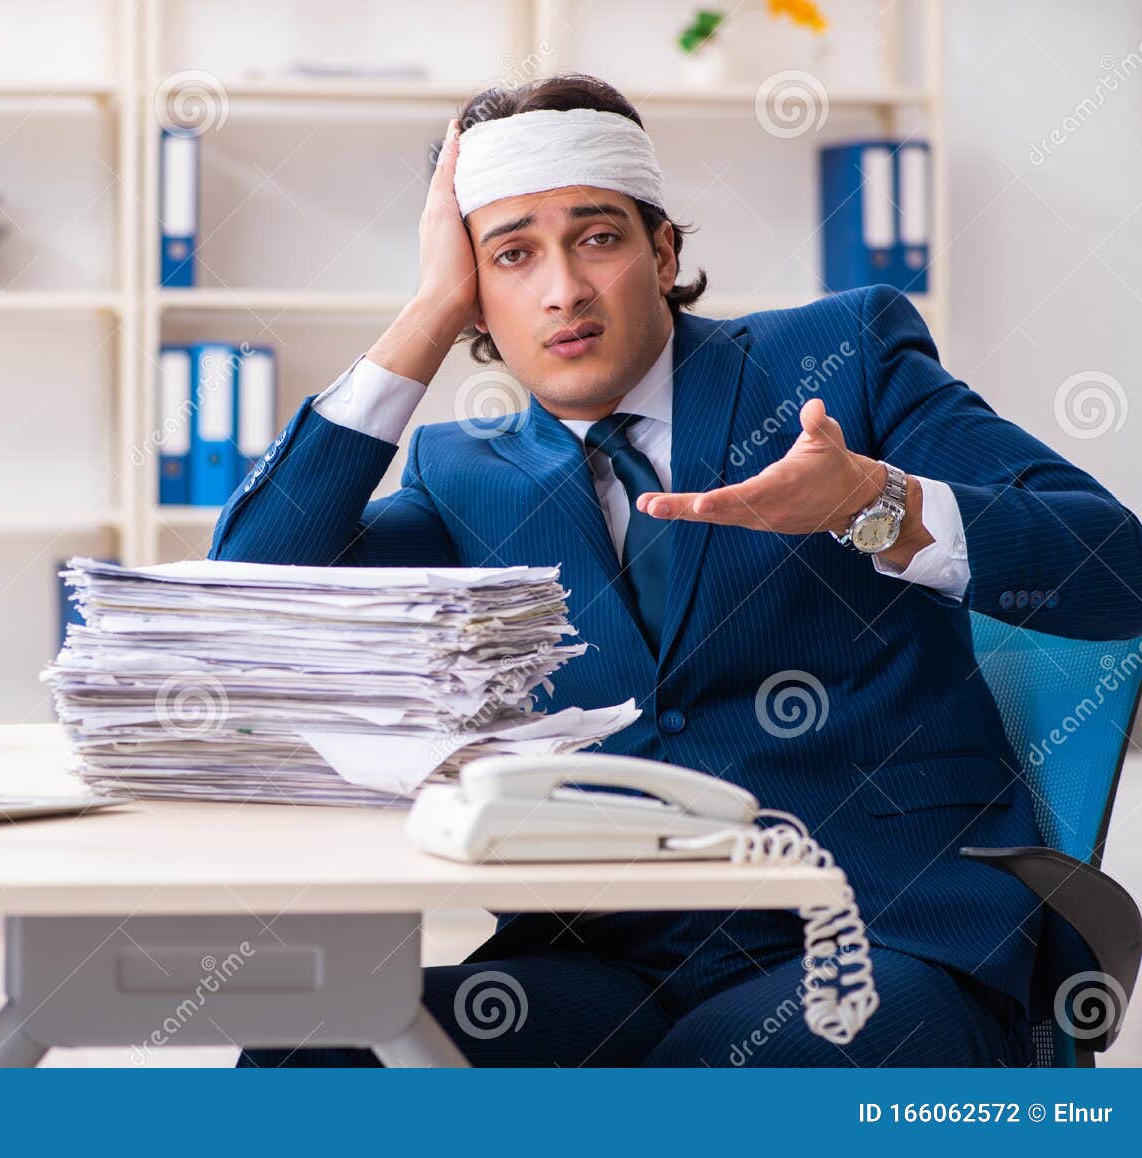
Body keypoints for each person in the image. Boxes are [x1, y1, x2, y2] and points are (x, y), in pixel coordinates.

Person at [212, 74, 1142, 1066]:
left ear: (661, 251)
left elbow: (1112, 566)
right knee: (311, 1054)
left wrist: (877, 504)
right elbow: (250, 601)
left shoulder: (840, 360)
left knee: (714, 1082)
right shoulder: (461, 476)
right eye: (511, 255)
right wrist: (427, 313)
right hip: (606, 962)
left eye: (598, 237)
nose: (562, 288)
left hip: (882, 937)